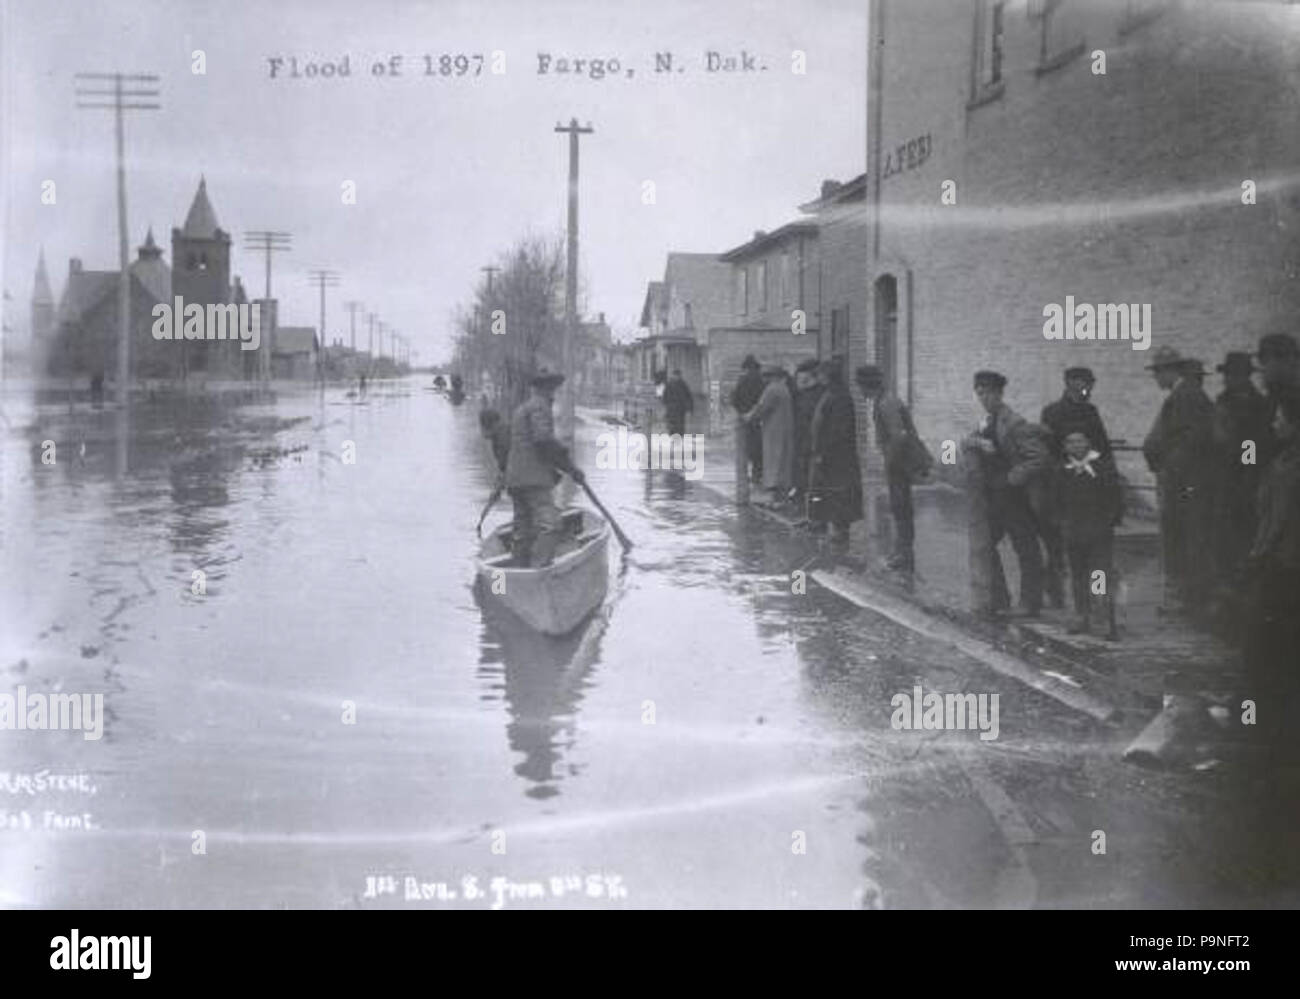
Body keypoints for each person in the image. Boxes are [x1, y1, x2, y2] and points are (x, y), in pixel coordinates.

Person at [1242, 388, 1300, 778]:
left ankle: (1267, 738)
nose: (1274, 423)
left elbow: (1275, 522)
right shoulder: (1282, 460)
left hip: (1282, 567)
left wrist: (1255, 557)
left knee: (1266, 652)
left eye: (1280, 418)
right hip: (1284, 565)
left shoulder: (1288, 467)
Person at [962, 370, 1052, 618]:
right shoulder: (986, 422)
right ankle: (999, 598)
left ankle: (1030, 602)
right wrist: (978, 443)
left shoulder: (1014, 423)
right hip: (993, 497)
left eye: (989, 394)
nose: (984, 399)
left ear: (999, 394)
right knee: (986, 544)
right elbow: (965, 441)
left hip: (1015, 497)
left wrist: (1014, 476)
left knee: (1026, 549)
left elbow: (1039, 458)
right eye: (980, 394)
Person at [1142, 346, 1216, 614]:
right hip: (1181, 480)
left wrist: (1169, 469)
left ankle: (1189, 600)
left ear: (1170, 371)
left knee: (1185, 537)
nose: (1155, 377)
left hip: (1183, 483)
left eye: (1157, 372)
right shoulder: (1183, 395)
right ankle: (1186, 598)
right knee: (1182, 537)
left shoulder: (1186, 396)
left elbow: (1191, 440)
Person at [1039, 367, 1113, 607]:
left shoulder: (1091, 411)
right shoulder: (1052, 412)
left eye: (1090, 385)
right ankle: (1058, 594)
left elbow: (1103, 448)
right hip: (1063, 486)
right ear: (1070, 384)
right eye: (1084, 384)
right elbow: (1047, 451)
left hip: (1090, 489)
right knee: (1059, 545)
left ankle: (1096, 601)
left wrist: (1107, 477)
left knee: (1095, 555)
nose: (1088, 389)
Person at [504, 367, 585, 567]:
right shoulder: (540, 406)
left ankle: (519, 571)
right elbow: (543, 441)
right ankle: (538, 570)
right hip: (533, 479)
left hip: (515, 480)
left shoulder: (522, 409)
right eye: (552, 388)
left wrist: (566, 467)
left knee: (523, 528)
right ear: (545, 388)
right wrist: (570, 467)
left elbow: (528, 445)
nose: (554, 393)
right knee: (551, 525)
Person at [855, 364, 930, 572]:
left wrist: (889, 461)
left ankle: (904, 555)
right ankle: (903, 552)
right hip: (899, 461)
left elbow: (899, 436)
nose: (859, 391)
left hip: (900, 463)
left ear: (866, 385)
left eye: (860, 386)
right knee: (900, 507)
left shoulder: (886, 403)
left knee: (901, 507)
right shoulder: (883, 400)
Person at [1055, 430, 1122, 639]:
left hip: (1098, 532)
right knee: (1077, 575)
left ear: (1088, 444)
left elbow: (1116, 498)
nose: (1075, 445)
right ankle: (1081, 614)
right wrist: (1061, 522)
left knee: (1098, 575)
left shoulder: (1102, 468)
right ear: (1065, 447)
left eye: (1080, 441)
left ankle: (1100, 616)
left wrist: (1109, 521)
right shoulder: (1062, 471)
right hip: (1074, 532)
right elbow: (1053, 500)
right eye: (1070, 442)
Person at [1212, 352, 1272, 589]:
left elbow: (1252, 444)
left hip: (1241, 480)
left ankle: (1242, 586)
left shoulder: (1254, 405)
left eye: (1231, 375)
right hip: (1224, 476)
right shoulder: (1224, 400)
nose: (1226, 379)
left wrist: (1246, 473)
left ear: (1243, 376)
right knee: (1224, 534)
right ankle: (1228, 585)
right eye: (1226, 375)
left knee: (1242, 532)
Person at [807, 359, 863, 553]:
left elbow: (838, 430)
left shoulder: (840, 397)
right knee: (825, 489)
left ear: (830, 376)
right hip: (828, 453)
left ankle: (841, 530)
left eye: (822, 374)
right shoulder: (829, 394)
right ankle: (823, 522)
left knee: (840, 491)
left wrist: (824, 452)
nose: (819, 377)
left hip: (839, 456)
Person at [742, 365, 795, 505]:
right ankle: (781, 495)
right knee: (782, 461)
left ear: (773, 377)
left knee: (774, 460)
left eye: (767, 376)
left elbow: (761, 407)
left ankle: (774, 495)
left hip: (774, 430)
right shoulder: (784, 388)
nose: (765, 379)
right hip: (784, 428)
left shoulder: (772, 389)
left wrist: (748, 417)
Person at [1256, 333, 1299, 469]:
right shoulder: (1263, 402)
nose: (1269, 364)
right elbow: (1249, 441)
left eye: (1279, 356)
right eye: (1263, 358)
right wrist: (1249, 466)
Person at [791, 358, 825, 511]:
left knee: (811, 476)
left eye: (801, 377)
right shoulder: (802, 394)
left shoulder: (816, 395)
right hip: (803, 440)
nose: (798, 380)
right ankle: (806, 507)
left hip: (811, 441)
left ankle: (812, 509)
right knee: (803, 473)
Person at [730, 355, 765, 484]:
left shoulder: (742, 380)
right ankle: (757, 473)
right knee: (759, 447)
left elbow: (734, 399)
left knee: (746, 447)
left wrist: (741, 412)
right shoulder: (762, 380)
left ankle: (746, 475)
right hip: (759, 418)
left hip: (745, 418)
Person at [662, 368, 693, 436]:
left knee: (680, 424)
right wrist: (666, 405)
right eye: (675, 375)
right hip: (672, 408)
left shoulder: (683, 384)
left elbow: (688, 396)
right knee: (672, 424)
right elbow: (665, 396)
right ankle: (673, 436)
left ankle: (679, 436)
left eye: (678, 375)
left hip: (680, 409)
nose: (676, 377)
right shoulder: (669, 384)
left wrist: (690, 408)